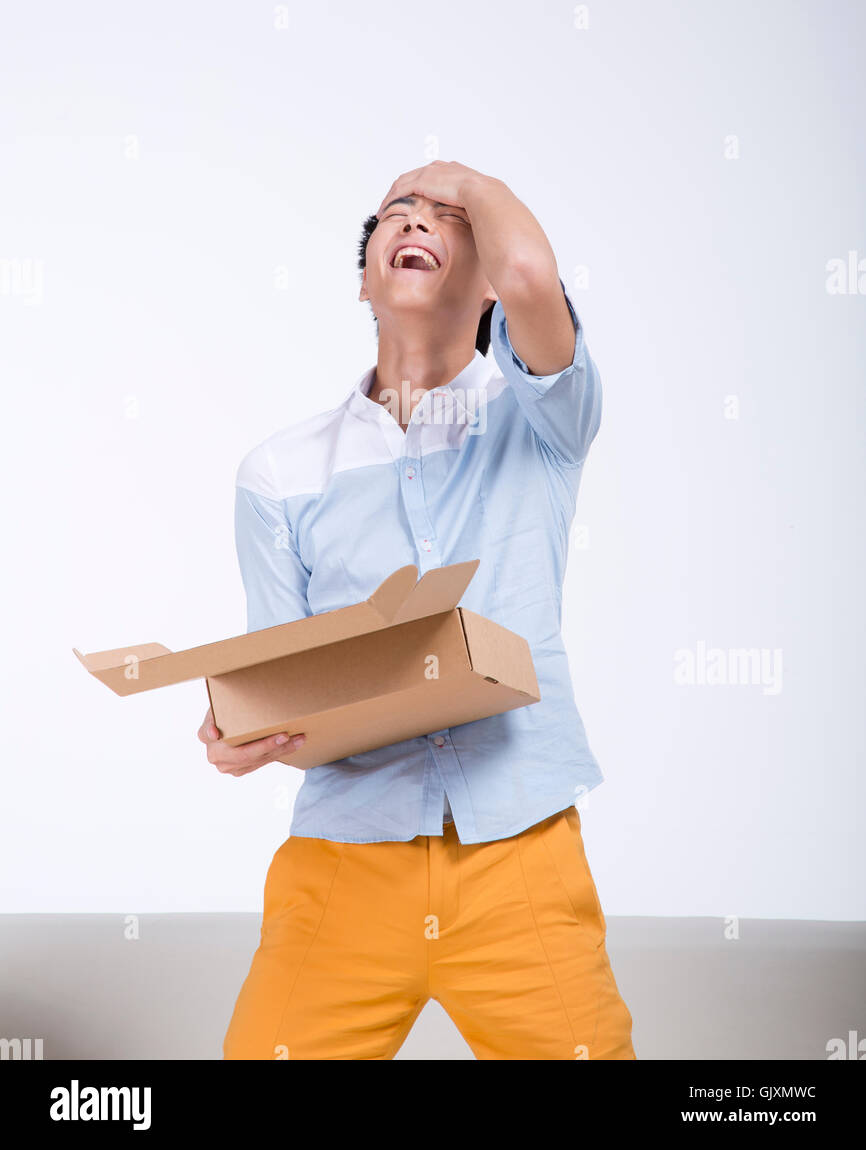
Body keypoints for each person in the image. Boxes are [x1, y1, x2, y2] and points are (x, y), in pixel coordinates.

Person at [201, 160, 636, 1060]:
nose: (417, 219)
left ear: (486, 286)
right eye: (396, 215)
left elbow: (529, 278)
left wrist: (453, 177)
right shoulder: (280, 474)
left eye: (450, 222)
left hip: (520, 854)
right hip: (346, 862)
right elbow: (289, 683)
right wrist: (245, 728)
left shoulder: (541, 422)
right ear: (364, 280)